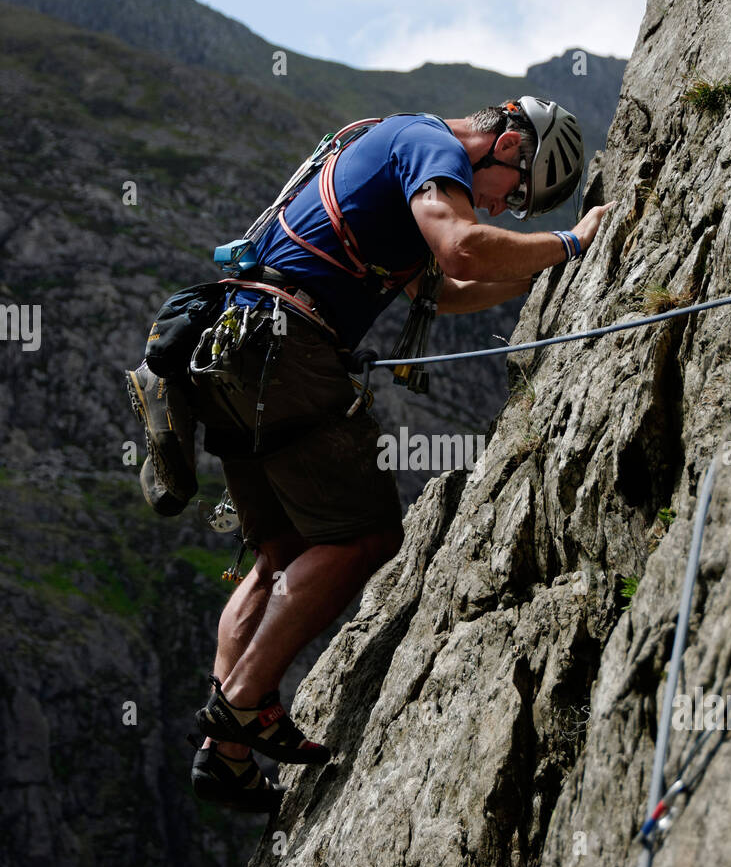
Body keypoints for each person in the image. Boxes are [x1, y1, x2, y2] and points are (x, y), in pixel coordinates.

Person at [128, 98, 613, 812]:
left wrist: (544, 267)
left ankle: (227, 754)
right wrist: (570, 242)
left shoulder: (383, 149)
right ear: (506, 142)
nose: (506, 206)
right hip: (287, 353)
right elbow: (460, 247)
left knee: (281, 549)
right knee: (362, 539)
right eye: (513, 192)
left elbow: (439, 289)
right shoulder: (431, 146)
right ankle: (237, 707)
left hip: (229, 352)